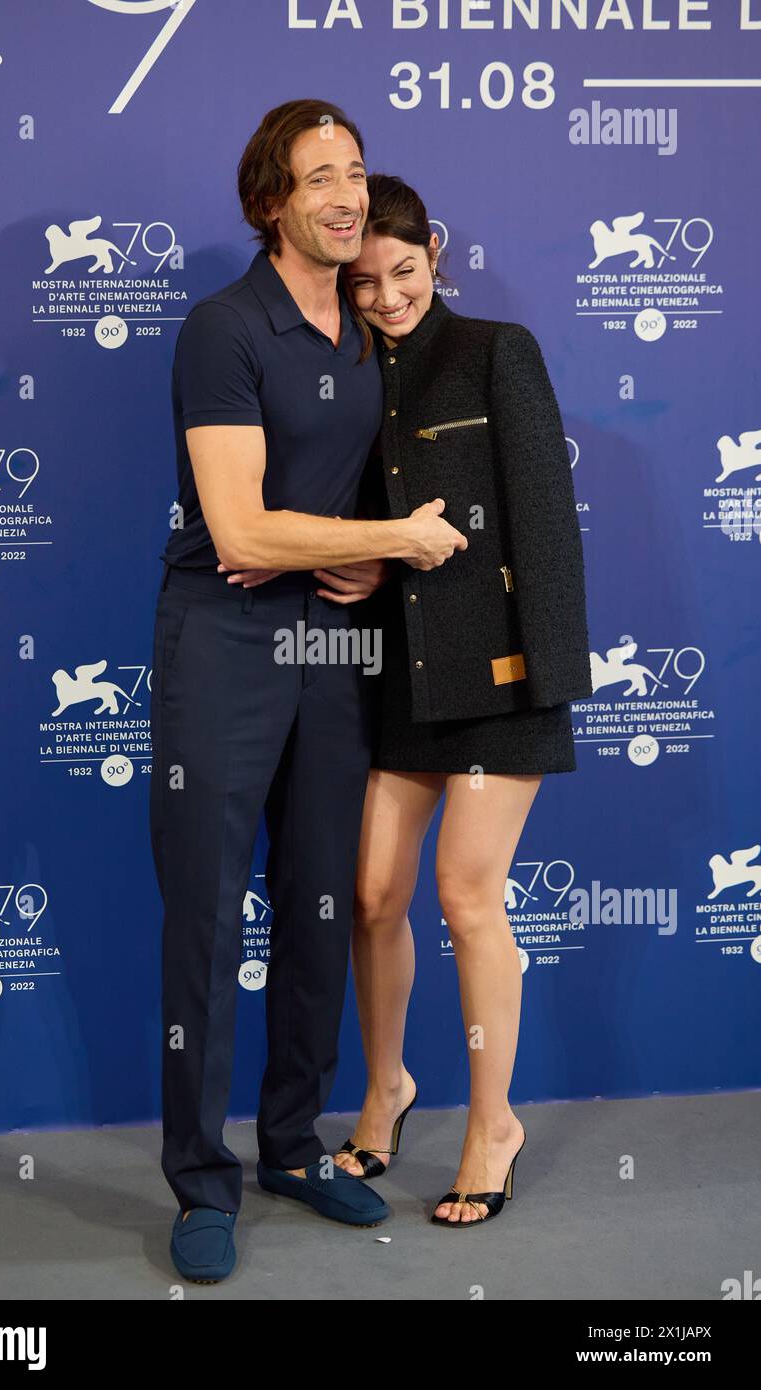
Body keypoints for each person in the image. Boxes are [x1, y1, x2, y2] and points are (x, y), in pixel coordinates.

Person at [149, 109, 467, 1283]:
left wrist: (361, 557)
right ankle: (198, 1177)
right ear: (267, 203)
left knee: (321, 901)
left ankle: (292, 1142)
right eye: (317, 176)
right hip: (221, 642)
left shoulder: (377, 324)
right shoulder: (224, 328)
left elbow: (350, 511)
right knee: (205, 912)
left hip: (335, 645)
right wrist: (374, 536)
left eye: (355, 172)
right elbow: (235, 528)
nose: (343, 194)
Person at [326, 174, 594, 1226]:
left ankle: (494, 1124)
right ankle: (385, 1087)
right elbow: (363, 529)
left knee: (463, 893)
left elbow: (544, 522)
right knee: (370, 895)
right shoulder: (345, 378)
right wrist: (356, 568)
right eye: (364, 285)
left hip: (499, 681)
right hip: (399, 675)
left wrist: (549, 683)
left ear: (433, 251)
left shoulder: (495, 348)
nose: (388, 298)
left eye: (403, 273)